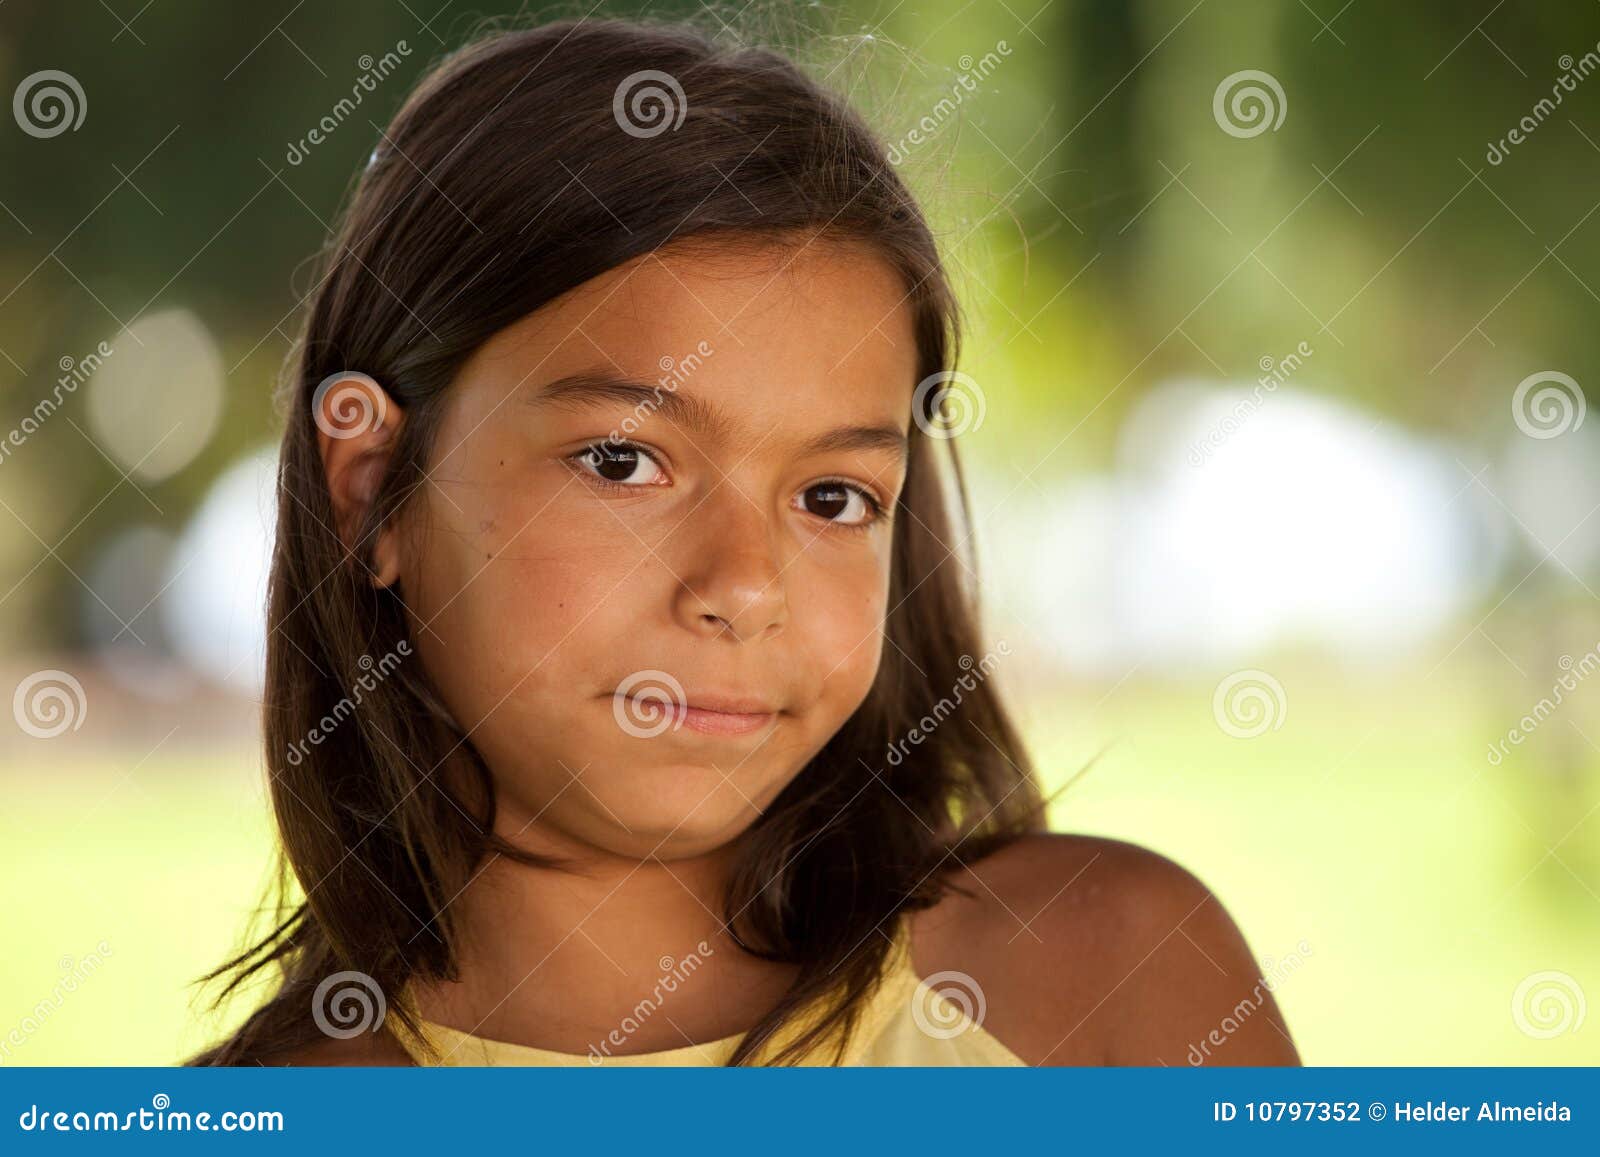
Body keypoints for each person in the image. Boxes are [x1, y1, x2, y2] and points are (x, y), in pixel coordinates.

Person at [188, 16, 1297, 1068]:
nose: (744, 587)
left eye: (830, 495)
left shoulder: (1109, 982)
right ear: (374, 491)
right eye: (623, 461)